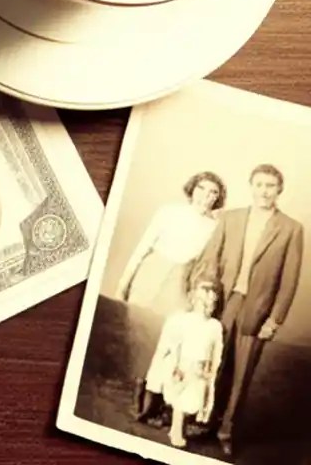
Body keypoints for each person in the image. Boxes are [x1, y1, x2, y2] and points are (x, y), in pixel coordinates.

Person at [192, 164, 305, 456]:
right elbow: (211, 260)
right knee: (213, 364)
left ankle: (227, 430)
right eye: (259, 184)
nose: (264, 191)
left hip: (258, 310)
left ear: (279, 190)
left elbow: (289, 279)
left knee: (242, 374)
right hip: (224, 303)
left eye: (270, 186)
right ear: (250, 186)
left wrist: (275, 319)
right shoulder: (230, 218)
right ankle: (204, 420)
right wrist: (205, 295)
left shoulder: (291, 229)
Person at [117, 171, 226, 316]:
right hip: (150, 272)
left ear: (217, 198)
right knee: (133, 318)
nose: (206, 195)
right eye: (201, 188)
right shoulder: (169, 211)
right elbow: (142, 249)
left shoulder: (214, 227)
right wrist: (122, 286)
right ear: (192, 189)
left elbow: (207, 266)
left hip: (181, 281)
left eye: (213, 192)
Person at [141, 279, 226, 449]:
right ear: (194, 298)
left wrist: (211, 371)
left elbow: (216, 352)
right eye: (203, 299)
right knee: (180, 401)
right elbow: (172, 345)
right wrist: (176, 366)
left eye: (212, 301)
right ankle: (176, 430)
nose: (208, 304)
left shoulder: (215, 327)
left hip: (200, 369)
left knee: (193, 402)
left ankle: (180, 427)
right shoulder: (182, 320)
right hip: (182, 366)